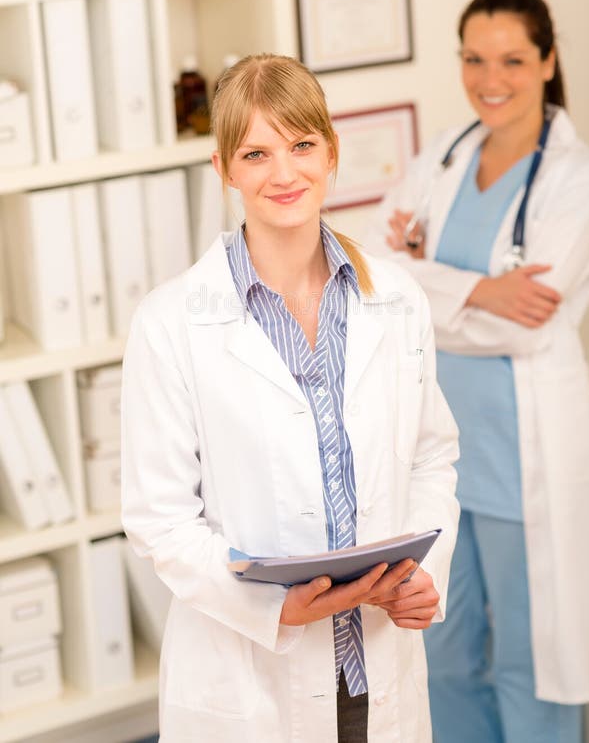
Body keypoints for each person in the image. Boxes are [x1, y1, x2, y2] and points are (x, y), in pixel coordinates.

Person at [120, 54, 460, 743]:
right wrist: (273, 610)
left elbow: (430, 459)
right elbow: (159, 518)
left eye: (302, 145)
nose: (284, 173)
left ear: (330, 153)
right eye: (256, 152)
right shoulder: (171, 322)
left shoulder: (393, 299)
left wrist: (425, 573)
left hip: (375, 666)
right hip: (248, 677)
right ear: (224, 170)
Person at [367, 0, 589, 743]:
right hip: (438, 454)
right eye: (472, 57)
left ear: (546, 61)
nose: (487, 77)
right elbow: (376, 277)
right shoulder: (443, 152)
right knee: (440, 645)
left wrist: (423, 280)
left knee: (533, 656)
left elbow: (530, 328)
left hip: (521, 456)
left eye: (510, 59)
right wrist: (478, 291)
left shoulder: (577, 179)